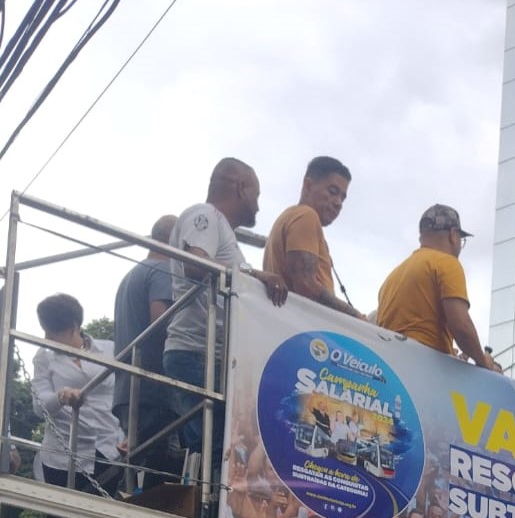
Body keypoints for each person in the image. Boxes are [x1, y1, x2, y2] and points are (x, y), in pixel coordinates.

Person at [163, 158, 288, 468]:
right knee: (225, 446)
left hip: (207, 355)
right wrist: (257, 278)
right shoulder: (206, 216)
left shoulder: (223, 230)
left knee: (221, 445)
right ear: (241, 188)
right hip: (197, 353)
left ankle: (208, 500)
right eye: (256, 196)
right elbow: (196, 264)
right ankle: (214, 508)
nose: (258, 207)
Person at [31, 293, 124, 518]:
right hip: (63, 450)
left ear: (74, 326)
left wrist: (127, 434)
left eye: (54, 331)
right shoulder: (44, 357)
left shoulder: (109, 349)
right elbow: (37, 405)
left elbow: (125, 392)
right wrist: (61, 396)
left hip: (108, 444)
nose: (49, 337)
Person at [376, 204, 497, 370]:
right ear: (454, 235)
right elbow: (461, 325)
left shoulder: (391, 278)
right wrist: (484, 362)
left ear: (422, 237)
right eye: (461, 240)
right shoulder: (447, 263)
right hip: (424, 369)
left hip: (390, 368)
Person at [113, 214, 180, 484]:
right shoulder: (162, 271)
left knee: (139, 466)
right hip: (154, 389)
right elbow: (161, 324)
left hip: (128, 389)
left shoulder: (133, 274)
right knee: (161, 468)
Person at [263, 156, 362, 317]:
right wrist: (357, 317)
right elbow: (306, 285)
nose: (338, 203)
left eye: (342, 198)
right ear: (308, 185)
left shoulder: (288, 216)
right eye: (332, 192)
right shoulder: (306, 216)